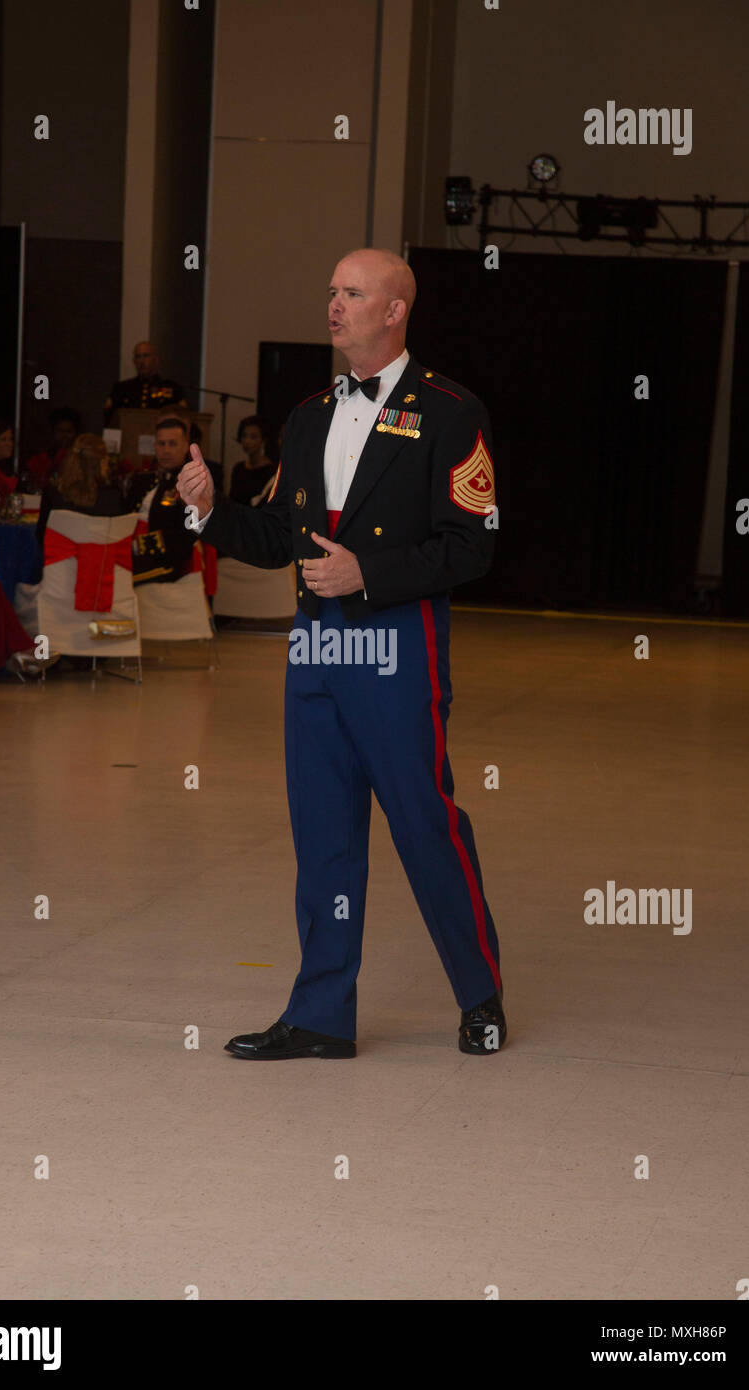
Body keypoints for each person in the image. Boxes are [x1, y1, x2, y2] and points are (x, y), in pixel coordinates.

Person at [179, 246, 505, 1060]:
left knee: (424, 823)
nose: (333, 305)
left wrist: (371, 572)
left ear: (395, 310)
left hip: (398, 642)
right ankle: (322, 1013)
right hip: (316, 643)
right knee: (322, 832)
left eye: (352, 294)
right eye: (330, 291)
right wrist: (211, 512)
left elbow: (474, 546)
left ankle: (480, 995)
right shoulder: (310, 414)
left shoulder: (451, 411)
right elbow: (278, 536)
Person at [131, 415, 200, 585]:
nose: (166, 450)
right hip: (132, 553)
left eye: (173, 444)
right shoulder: (143, 479)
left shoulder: (191, 483)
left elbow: (184, 537)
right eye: (161, 444)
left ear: (186, 447)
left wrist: (138, 546)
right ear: (154, 446)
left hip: (165, 562)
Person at [36, 433, 131, 545]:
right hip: (100, 560)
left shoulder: (53, 494)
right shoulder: (112, 497)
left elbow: (41, 536)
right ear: (101, 463)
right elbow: (121, 539)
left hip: (62, 561)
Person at [104, 341, 187, 423]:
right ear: (134, 361)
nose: (142, 361)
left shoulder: (172, 388)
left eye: (146, 356)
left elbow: (183, 418)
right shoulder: (121, 388)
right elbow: (110, 419)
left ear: (156, 360)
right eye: (138, 357)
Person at [24, 408, 81, 488]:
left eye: (69, 431)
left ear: (75, 433)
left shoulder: (80, 459)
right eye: (60, 431)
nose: (64, 436)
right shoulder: (40, 459)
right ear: (53, 432)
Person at [228, 416, 277, 506]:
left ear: (263, 440)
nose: (247, 441)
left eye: (253, 437)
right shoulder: (238, 468)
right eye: (244, 436)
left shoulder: (271, 471)